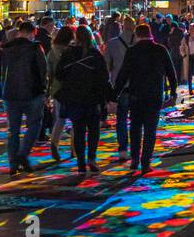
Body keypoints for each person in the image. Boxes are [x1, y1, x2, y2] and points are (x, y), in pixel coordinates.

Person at [112, 22, 179, 174]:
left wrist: (115, 93)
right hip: (155, 94)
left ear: (137, 35)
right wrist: (173, 90)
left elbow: (123, 74)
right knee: (150, 130)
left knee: (135, 127)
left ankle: (135, 158)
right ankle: (145, 161)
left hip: (136, 94)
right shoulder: (160, 49)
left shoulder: (132, 51)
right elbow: (171, 71)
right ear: (150, 34)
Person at [55, 26, 112, 174]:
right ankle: (91, 158)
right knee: (93, 130)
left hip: (74, 97)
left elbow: (58, 74)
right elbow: (104, 77)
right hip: (92, 98)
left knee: (78, 130)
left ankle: (81, 162)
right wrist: (107, 96)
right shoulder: (95, 55)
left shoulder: (68, 54)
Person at [0, 19, 49, 174]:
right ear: (33, 32)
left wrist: (0, 88)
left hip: (10, 93)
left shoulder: (5, 48)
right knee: (34, 125)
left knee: (13, 130)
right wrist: (45, 90)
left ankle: (13, 163)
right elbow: (43, 70)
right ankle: (23, 154)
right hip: (32, 92)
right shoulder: (35, 48)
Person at [104, 15, 136, 162]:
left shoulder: (112, 43)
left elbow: (107, 67)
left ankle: (123, 148)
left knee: (121, 119)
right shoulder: (139, 43)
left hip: (120, 86)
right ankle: (136, 149)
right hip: (137, 85)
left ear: (122, 26)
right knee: (137, 119)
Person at [46, 26, 74, 162]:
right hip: (73, 87)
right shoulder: (72, 51)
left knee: (60, 118)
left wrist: (47, 92)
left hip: (57, 88)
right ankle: (73, 147)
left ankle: (54, 142)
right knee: (76, 118)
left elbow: (49, 73)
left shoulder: (52, 52)